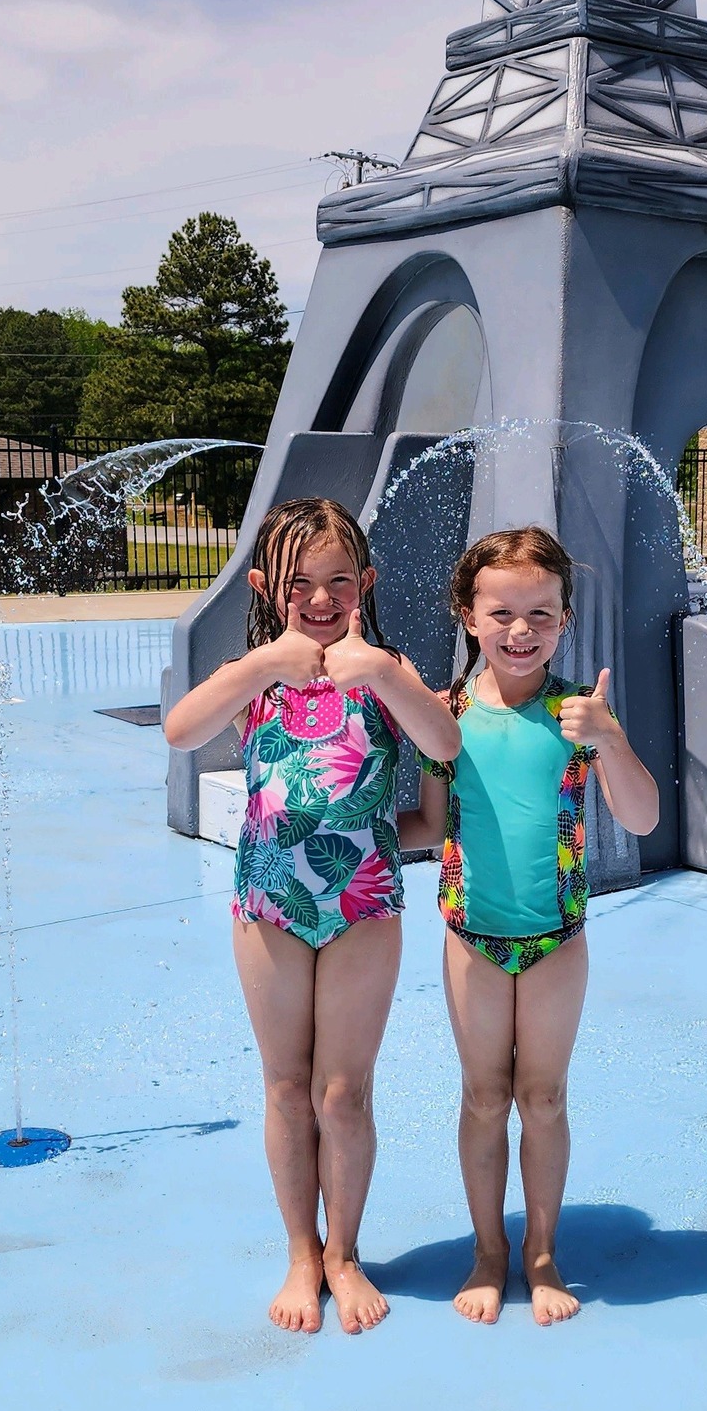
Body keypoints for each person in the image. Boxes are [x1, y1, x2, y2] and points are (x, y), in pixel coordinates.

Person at [163, 497, 460, 1337]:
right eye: (300, 585)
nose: (321, 599)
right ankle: (301, 1250)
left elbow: (443, 745)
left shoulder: (382, 668)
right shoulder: (255, 672)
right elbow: (182, 732)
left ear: (364, 582)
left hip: (363, 904)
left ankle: (345, 1251)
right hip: (269, 907)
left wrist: (386, 673)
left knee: (344, 1094)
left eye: (338, 581)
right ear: (265, 587)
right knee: (288, 1088)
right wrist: (263, 664)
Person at [409, 526, 659, 1327]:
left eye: (541, 614)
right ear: (468, 615)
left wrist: (611, 738)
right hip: (471, 938)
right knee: (485, 1097)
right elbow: (430, 825)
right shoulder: (444, 715)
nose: (522, 631)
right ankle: (490, 1251)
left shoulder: (577, 713)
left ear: (565, 618)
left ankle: (543, 1253)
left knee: (543, 1097)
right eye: (503, 612)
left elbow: (643, 817)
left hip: (557, 939)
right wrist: (337, 833)